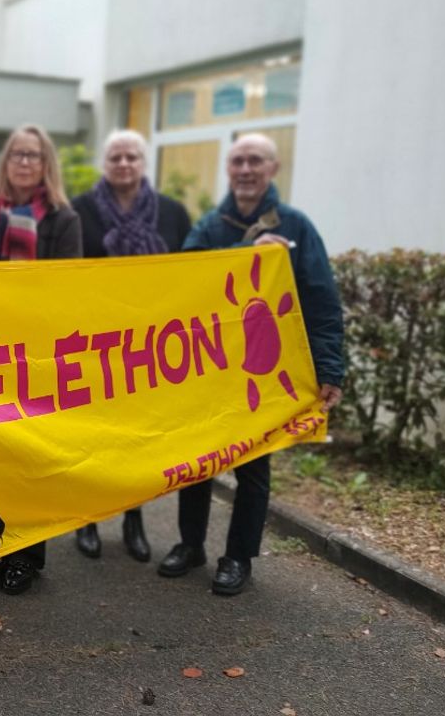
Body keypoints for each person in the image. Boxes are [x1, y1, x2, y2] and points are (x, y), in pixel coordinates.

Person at [157, 133, 344, 596]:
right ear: (228, 170)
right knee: (197, 462)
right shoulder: (209, 225)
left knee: (253, 470)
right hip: (211, 370)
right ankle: (191, 544)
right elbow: (185, 277)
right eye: (238, 161)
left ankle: (238, 556)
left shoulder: (298, 228)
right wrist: (248, 254)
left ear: (273, 168)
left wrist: (329, 370)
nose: (245, 169)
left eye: (255, 160)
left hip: (265, 372)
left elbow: (322, 303)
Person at [0, 123, 83, 595]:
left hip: (36, 352)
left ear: (46, 163)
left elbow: (66, 288)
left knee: (32, 459)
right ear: (6, 161)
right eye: (18, 154)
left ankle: (27, 555)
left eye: (34, 155)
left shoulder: (62, 219)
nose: (26, 162)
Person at [70, 129, 192, 563]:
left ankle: (133, 518)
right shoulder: (80, 211)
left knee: (138, 439)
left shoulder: (174, 214)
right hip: (93, 342)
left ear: (144, 163)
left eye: (132, 157)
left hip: (150, 347)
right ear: (106, 163)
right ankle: (87, 518)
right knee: (95, 435)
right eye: (116, 157)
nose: (124, 164)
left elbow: (190, 275)